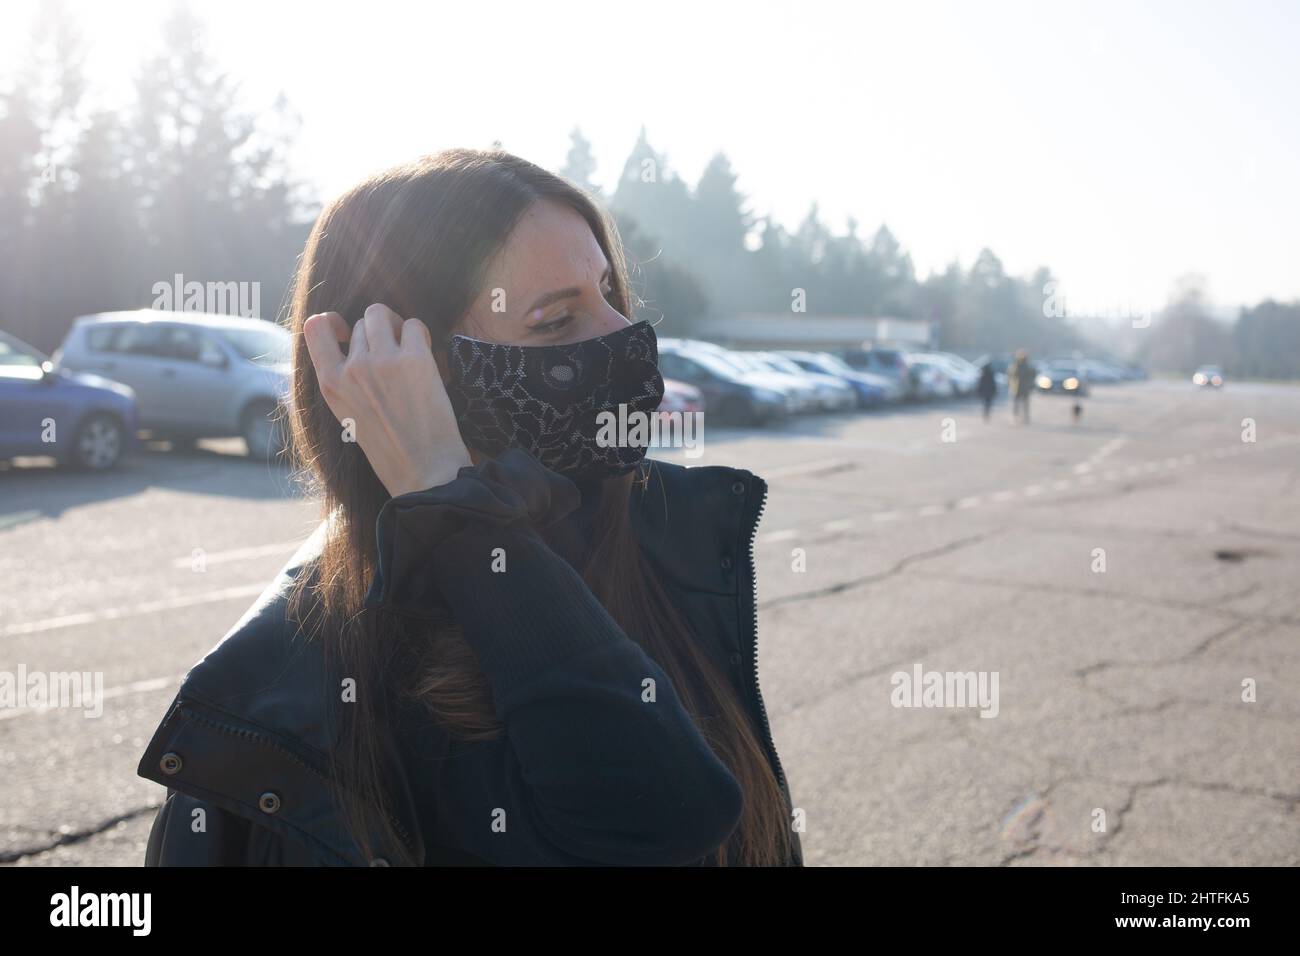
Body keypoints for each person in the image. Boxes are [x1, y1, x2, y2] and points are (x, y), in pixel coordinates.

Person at [136, 149, 802, 867]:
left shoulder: (665, 533)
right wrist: (442, 490)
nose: (623, 334)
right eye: (554, 321)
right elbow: (665, 815)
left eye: (608, 292)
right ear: (397, 371)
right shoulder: (282, 693)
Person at [1007, 349, 1036, 424]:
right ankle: (1017, 416)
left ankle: (1024, 417)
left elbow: (1032, 376)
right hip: (1017, 387)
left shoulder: (1027, 366)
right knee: (1017, 403)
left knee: (1024, 404)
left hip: (1024, 388)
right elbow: (1011, 375)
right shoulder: (1015, 366)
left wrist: (1031, 385)